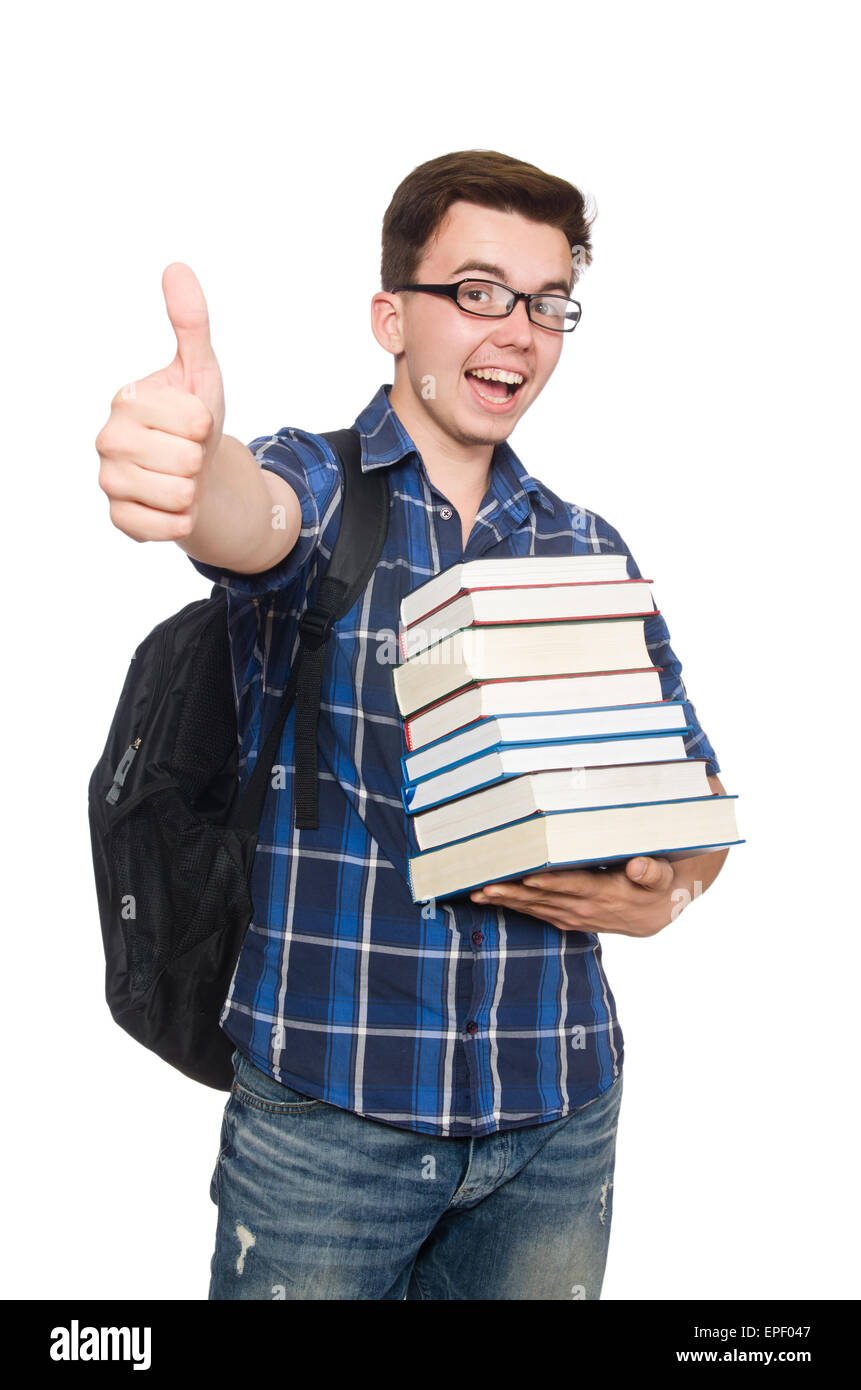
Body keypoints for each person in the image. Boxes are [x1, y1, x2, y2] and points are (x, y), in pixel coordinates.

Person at [95, 149, 729, 1301]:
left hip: (559, 1114)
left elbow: (690, 794)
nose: (519, 333)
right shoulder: (323, 488)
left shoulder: (586, 549)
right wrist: (193, 481)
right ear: (393, 315)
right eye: (478, 292)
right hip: (330, 1127)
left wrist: (669, 887)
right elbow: (254, 516)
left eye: (548, 304)